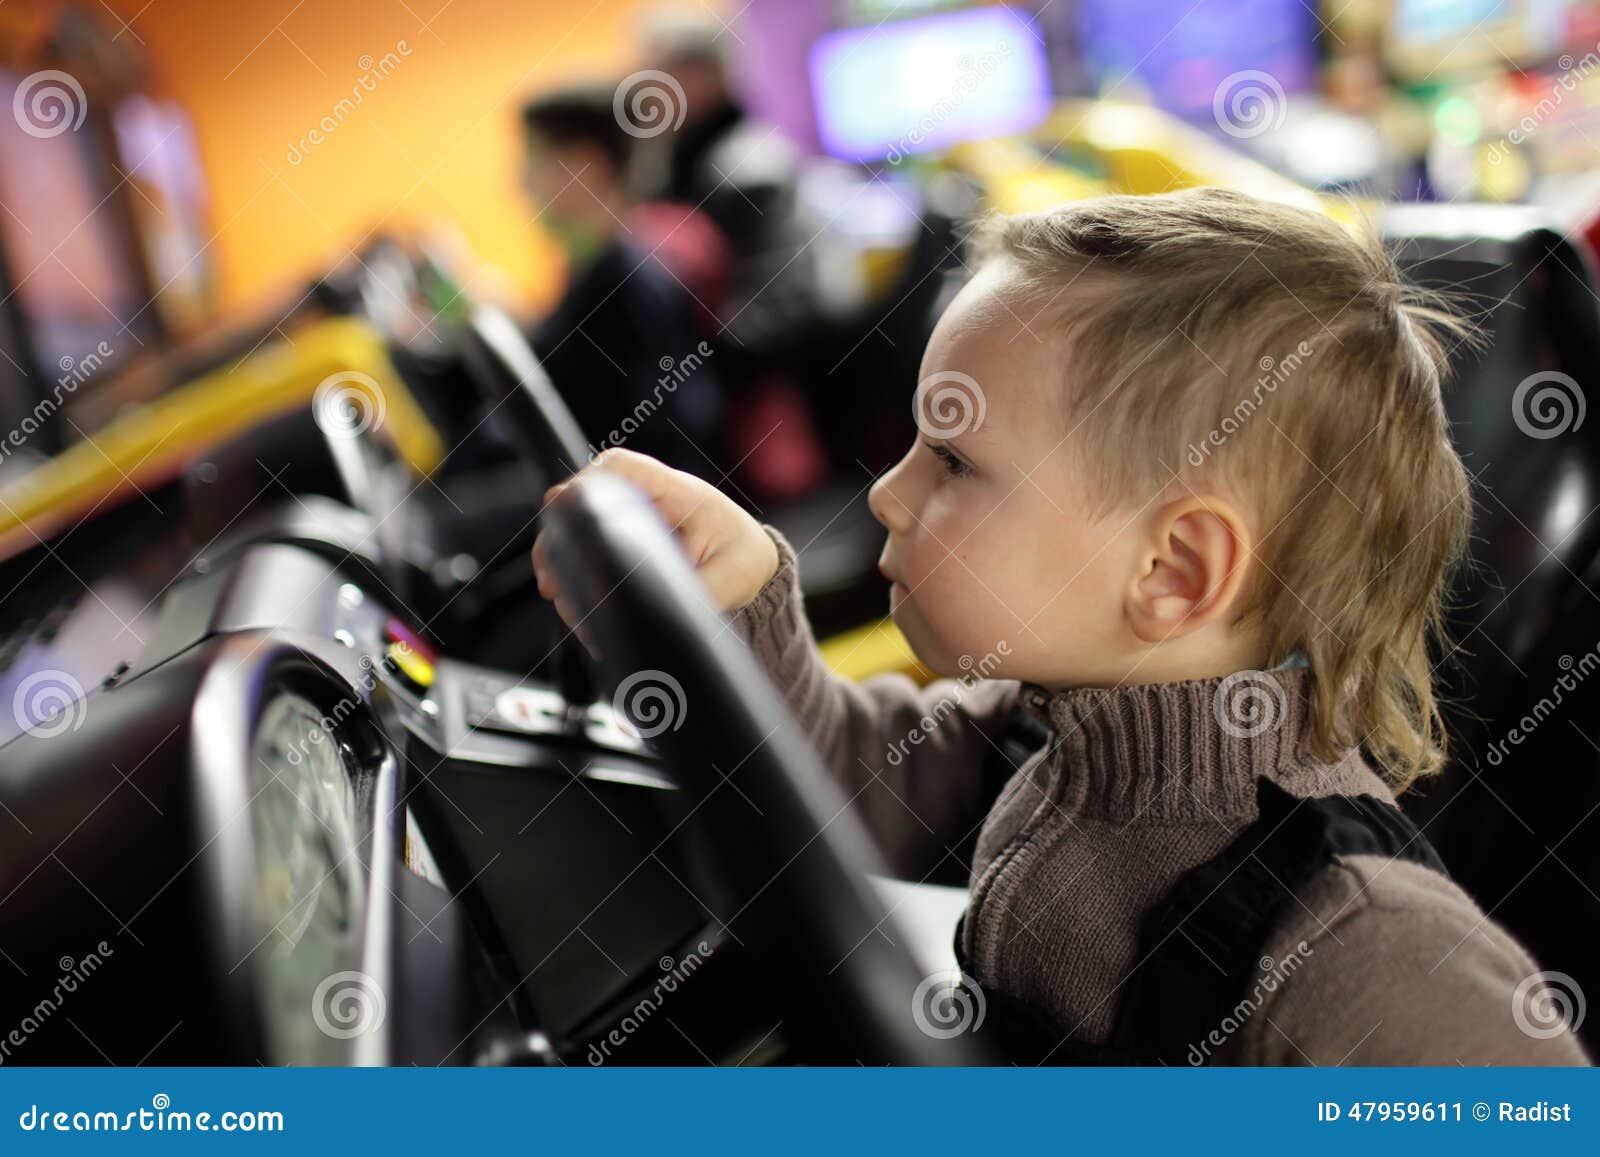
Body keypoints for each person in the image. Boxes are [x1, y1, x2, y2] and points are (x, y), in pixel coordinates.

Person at [533, 188, 1591, 1065]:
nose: (886, 497)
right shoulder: (1046, 738)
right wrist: (747, 592)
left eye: (951, 461)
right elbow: (843, 788)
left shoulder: (1360, 937)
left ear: (1172, 571)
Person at [520, 84, 720, 473]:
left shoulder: (625, 281)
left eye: (533, 162)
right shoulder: (592, 267)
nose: (522, 184)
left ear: (583, 166)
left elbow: (654, 443)